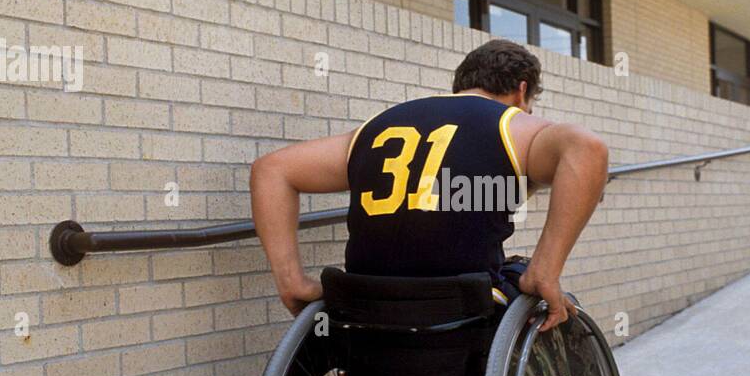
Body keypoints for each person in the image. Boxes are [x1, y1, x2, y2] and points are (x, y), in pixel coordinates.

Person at [248, 39, 609, 332]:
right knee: (557, 305)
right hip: (462, 307)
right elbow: (588, 150)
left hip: (364, 304)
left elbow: (270, 170)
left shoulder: (378, 127)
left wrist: (291, 280)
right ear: (521, 91)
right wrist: (545, 270)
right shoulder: (515, 126)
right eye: (531, 104)